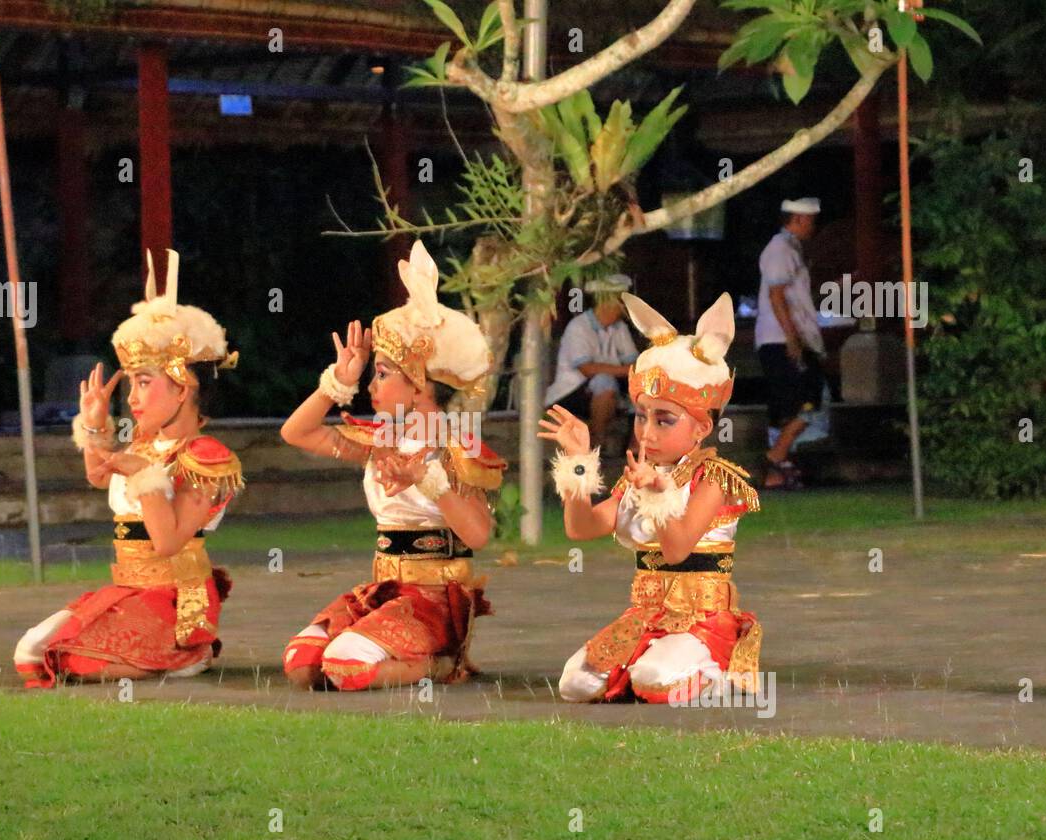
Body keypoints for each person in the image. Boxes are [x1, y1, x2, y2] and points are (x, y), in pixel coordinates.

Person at [279, 240, 507, 691]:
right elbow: (296, 433)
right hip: (384, 591)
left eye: (381, 373)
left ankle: (441, 662)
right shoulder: (381, 439)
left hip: (433, 600)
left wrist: (426, 478)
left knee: (345, 668)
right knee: (301, 664)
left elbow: (479, 535)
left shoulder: (455, 446)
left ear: (420, 383)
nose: (371, 385)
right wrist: (337, 381)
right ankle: (390, 650)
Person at [13, 250, 244, 688]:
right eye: (132, 383)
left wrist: (146, 477)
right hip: (128, 589)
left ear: (182, 388)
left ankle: (186, 653)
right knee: (31, 652)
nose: (132, 398)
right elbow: (99, 475)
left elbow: (168, 541)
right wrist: (95, 424)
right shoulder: (145, 444)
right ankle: (161, 656)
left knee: (63, 659)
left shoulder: (207, 457)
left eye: (144, 383)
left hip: (174, 598)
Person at [542, 290, 763, 704]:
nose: (647, 432)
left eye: (664, 420)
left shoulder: (715, 480)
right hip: (645, 616)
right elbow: (581, 527)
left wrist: (657, 497)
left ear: (700, 428)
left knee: (653, 681)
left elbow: (677, 549)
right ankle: (656, 662)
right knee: (575, 684)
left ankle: (719, 669)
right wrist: (577, 461)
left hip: (702, 620)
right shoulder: (638, 479)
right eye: (643, 416)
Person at [757, 197, 828, 489]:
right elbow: (777, 296)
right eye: (810, 220)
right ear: (798, 219)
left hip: (787, 337)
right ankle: (776, 455)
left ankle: (777, 470)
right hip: (781, 338)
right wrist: (792, 338)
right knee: (808, 399)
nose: (813, 226)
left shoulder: (790, 248)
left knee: (788, 403)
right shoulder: (781, 249)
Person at [544, 274, 641, 456]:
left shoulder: (619, 328)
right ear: (609, 302)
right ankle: (596, 441)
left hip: (603, 388)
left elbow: (632, 361)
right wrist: (631, 371)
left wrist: (635, 372)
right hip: (570, 393)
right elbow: (587, 369)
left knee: (642, 388)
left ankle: (634, 446)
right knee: (604, 382)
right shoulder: (578, 327)